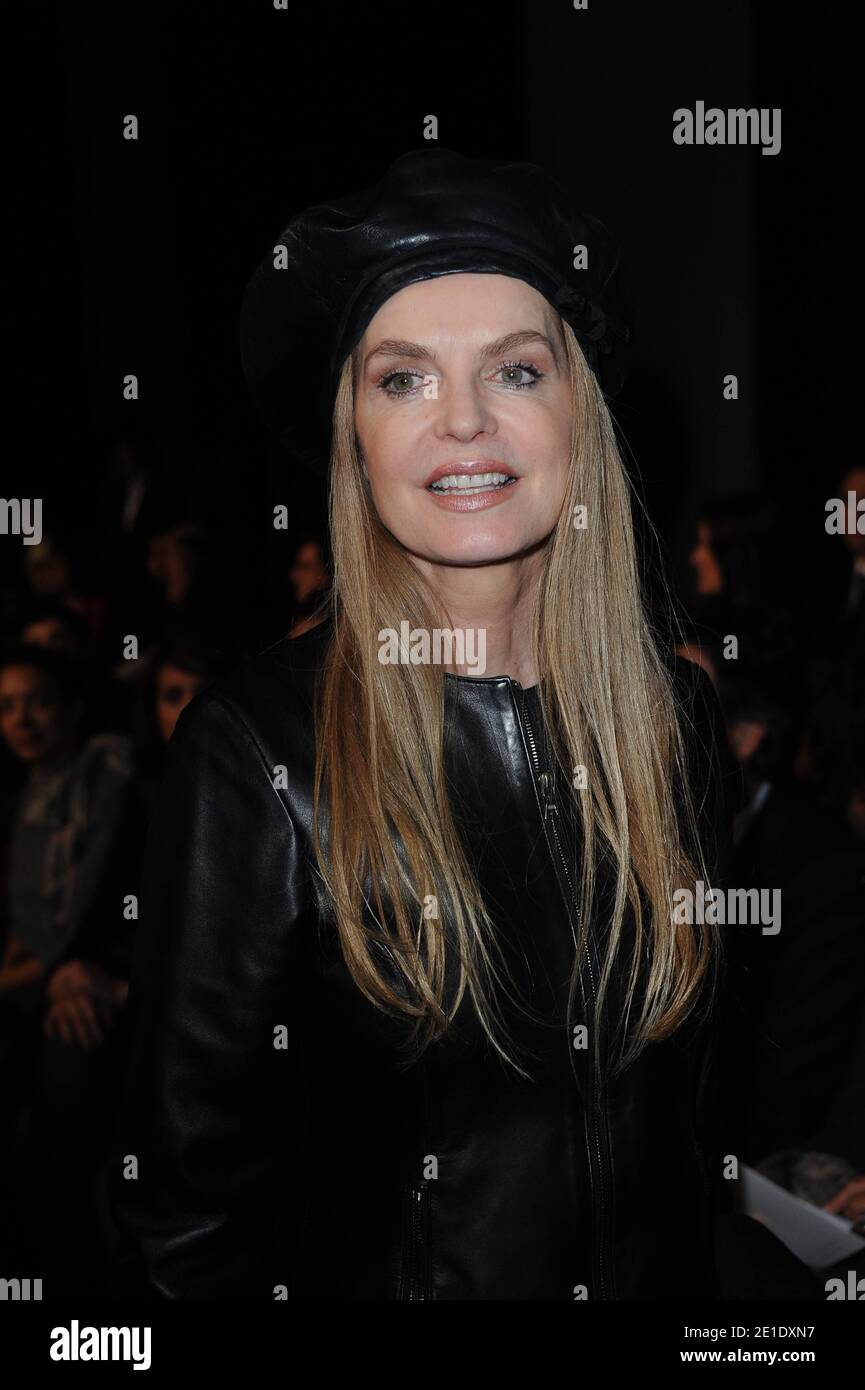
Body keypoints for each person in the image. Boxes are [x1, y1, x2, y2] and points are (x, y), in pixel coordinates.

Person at [109, 147, 733, 1301]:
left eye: (515, 370)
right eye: (401, 379)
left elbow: (689, 1150)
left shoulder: (676, 726)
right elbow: (185, 1226)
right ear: (352, 434)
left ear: (578, 417)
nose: (459, 422)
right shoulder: (261, 756)